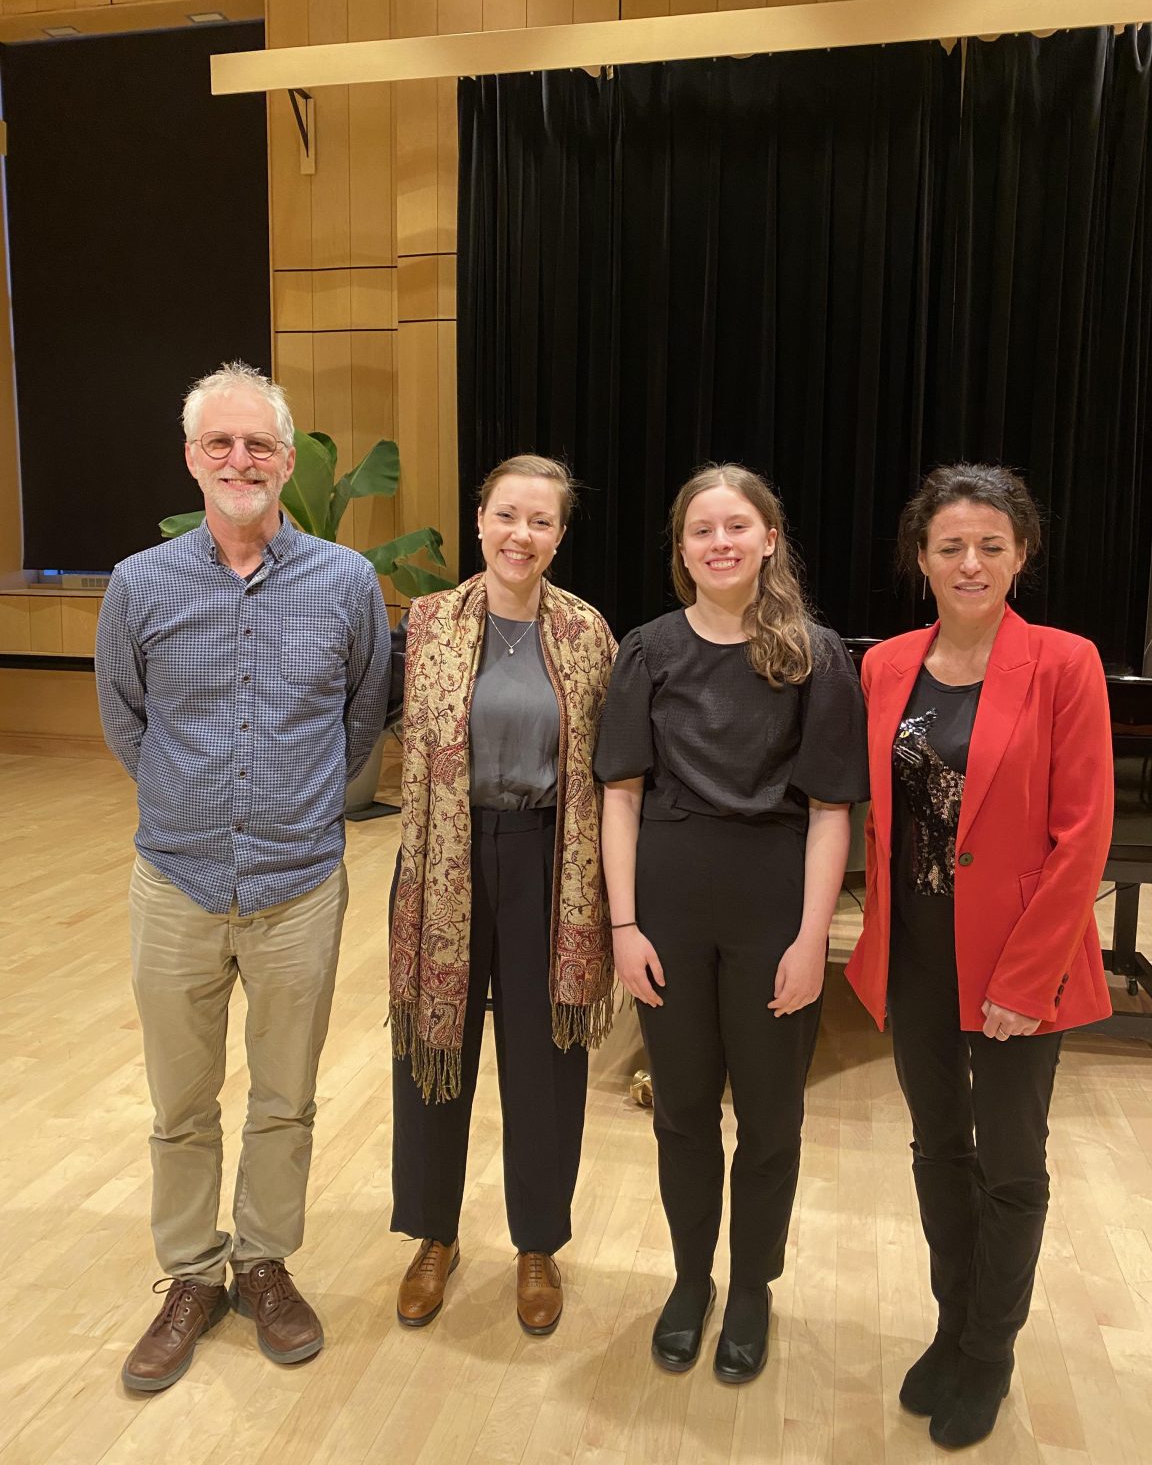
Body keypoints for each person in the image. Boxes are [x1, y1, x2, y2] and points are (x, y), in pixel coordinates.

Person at [96, 361, 390, 1391]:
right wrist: (195, 806)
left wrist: (286, 810)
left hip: (299, 887)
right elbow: (125, 722)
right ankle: (190, 1275)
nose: (239, 461)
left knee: (285, 1097)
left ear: (285, 455)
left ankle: (263, 1262)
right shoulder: (139, 585)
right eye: (218, 444)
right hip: (173, 885)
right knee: (180, 1103)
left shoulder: (347, 584)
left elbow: (364, 723)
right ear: (191, 458)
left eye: (258, 444)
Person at [846, 463, 1114, 1448]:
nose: (970, 563)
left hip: (1017, 961)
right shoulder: (885, 666)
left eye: (990, 547)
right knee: (935, 1149)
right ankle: (953, 1324)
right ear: (921, 558)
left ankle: (989, 1352)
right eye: (951, 546)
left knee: (1010, 1164)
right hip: (913, 950)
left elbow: (1083, 835)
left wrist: (1025, 978)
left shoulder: (1065, 664)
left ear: (1021, 556)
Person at [595, 464, 868, 1383]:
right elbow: (621, 794)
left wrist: (810, 940)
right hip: (667, 901)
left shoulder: (817, 656)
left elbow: (834, 809)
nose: (720, 542)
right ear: (683, 550)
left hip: (771, 905)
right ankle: (690, 1280)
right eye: (701, 529)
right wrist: (624, 926)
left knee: (771, 1115)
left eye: (736, 526)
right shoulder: (648, 650)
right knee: (678, 1112)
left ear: (768, 541)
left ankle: (751, 1284)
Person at [389, 454, 616, 1336]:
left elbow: (608, 766)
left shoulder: (588, 632)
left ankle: (537, 1245)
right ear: (480, 518)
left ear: (560, 534)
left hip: (550, 858)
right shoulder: (430, 620)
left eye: (542, 522)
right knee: (433, 1043)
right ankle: (433, 1236)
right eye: (508, 516)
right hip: (444, 860)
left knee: (545, 1058)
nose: (522, 535)